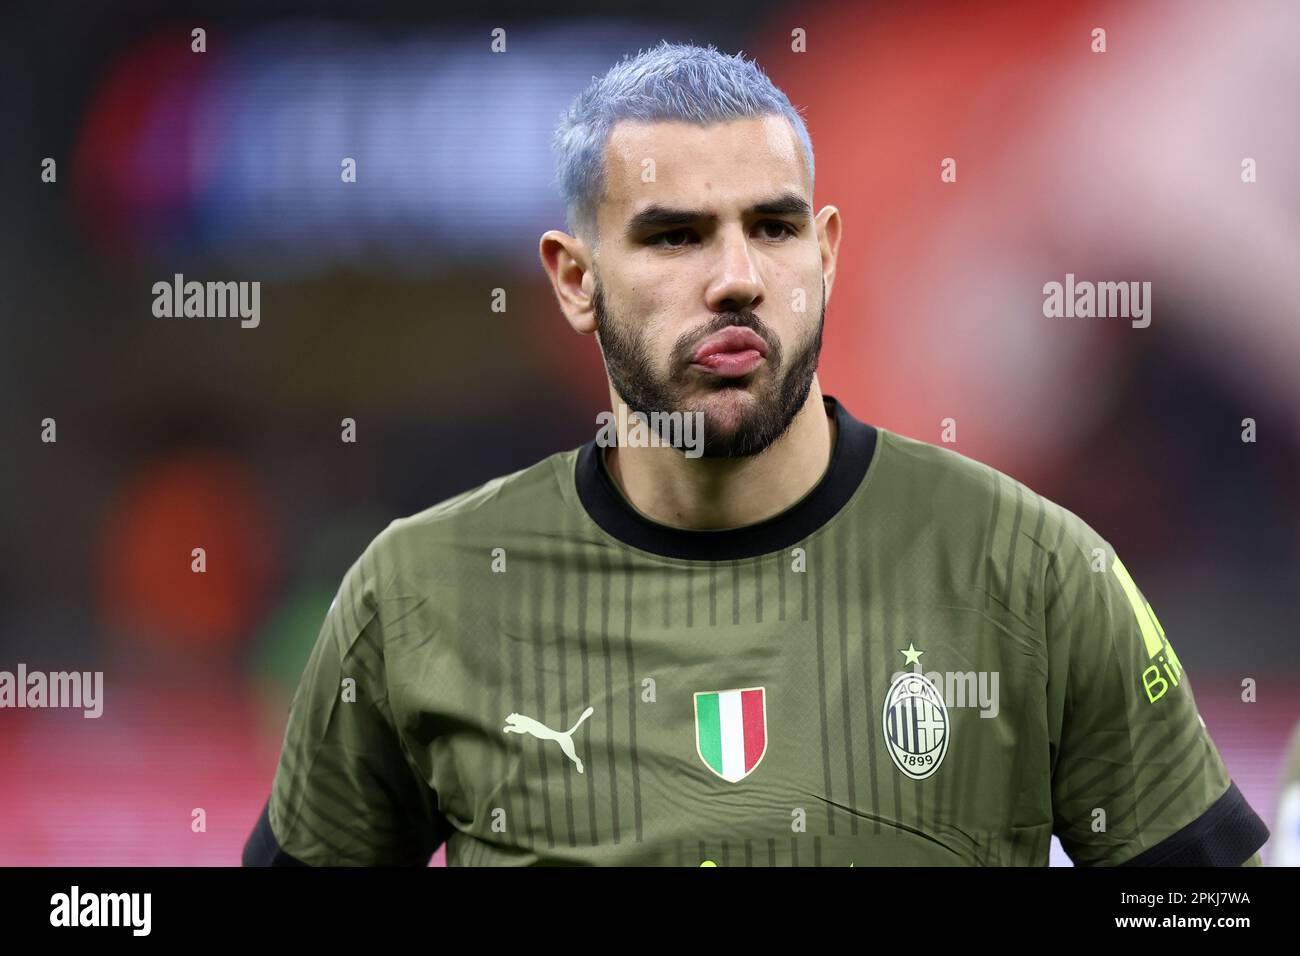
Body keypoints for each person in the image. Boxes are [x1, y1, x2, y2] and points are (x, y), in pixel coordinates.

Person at [243, 41, 1266, 867]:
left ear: (822, 253)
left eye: (769, 229)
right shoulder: (424, 589)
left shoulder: (1034, 568)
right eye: (672, 237)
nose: (732, 278)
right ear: (574, 279)